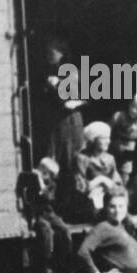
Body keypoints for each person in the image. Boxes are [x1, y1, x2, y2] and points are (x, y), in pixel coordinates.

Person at [42, 36, 85, 210]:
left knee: (68, 158)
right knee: (55, 157)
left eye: (52, 53)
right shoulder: (51, 70)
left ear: (62, 53)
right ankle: (56, 201)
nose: (48, 56)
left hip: (68, 121)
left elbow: (75, 97)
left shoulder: (69, 71)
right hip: (57, 121)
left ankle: (69, 203)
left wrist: (57, 85)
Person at [69, 122, 122, 223]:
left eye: (108, 138)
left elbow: (117, 183)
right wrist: (101, 180)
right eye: (104, 138)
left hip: (107, 197)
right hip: (86, 202)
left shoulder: (110, 158)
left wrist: (107, 186)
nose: (108, 141)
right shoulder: (82, 158)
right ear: (93, 139)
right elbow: (79, 186)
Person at [29, 157, 71, 273]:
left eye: (50, 174)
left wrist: (40, 181)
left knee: (65, 229)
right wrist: (37, 178)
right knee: (47, 230)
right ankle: (47, 262)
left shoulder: (51, 184)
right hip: (37, 214)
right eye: (45, 172)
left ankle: (66, 258)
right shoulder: (32, 180)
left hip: (48, 212)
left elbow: (47, 196)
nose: (47, 176)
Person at [110, 95, 137, 183]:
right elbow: (108, 129)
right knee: (111, 168)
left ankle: (122, 188)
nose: (133, 110)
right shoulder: (119, 116)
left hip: (129, 150)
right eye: (133, 106)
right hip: (115, 146)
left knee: (125, 171)